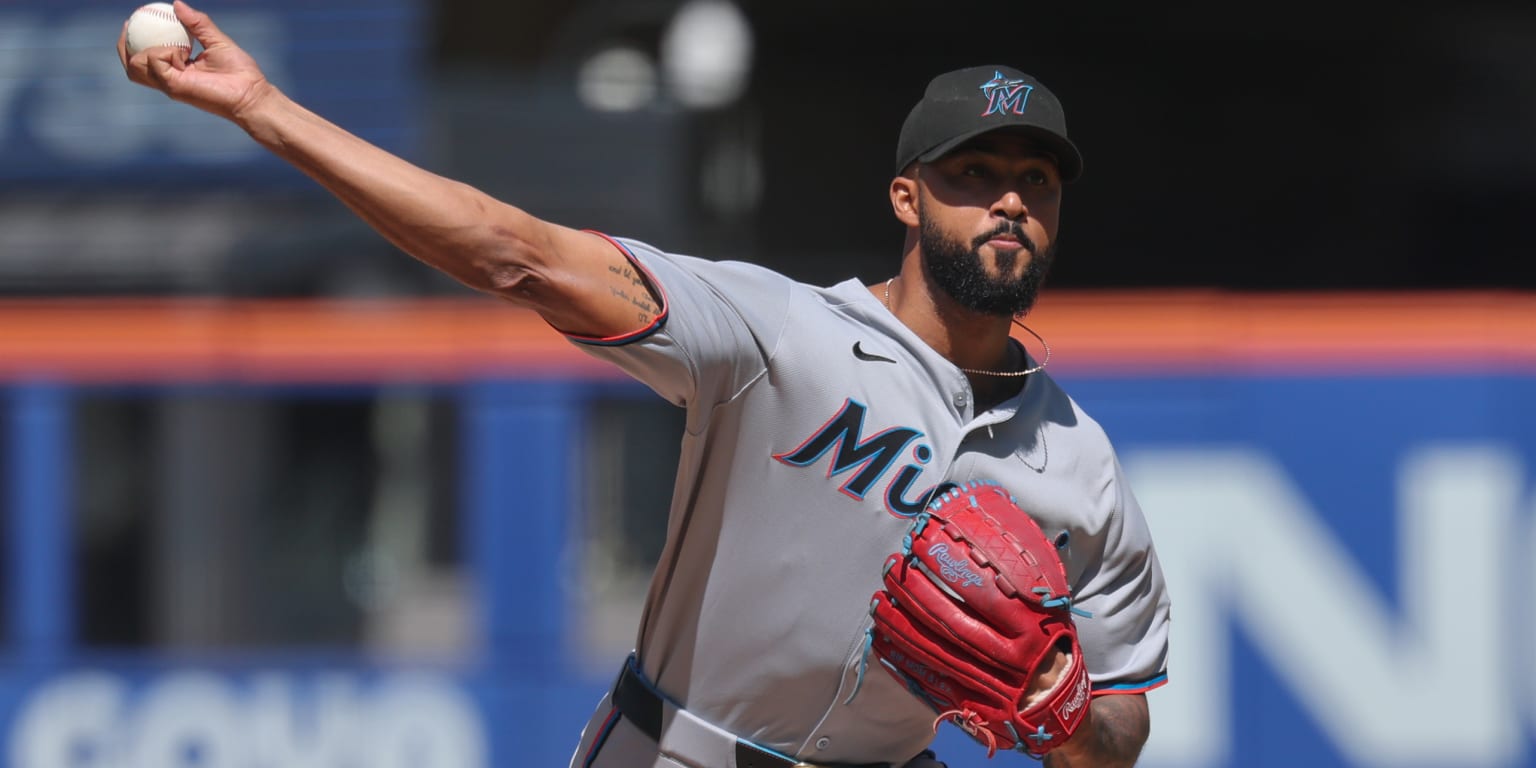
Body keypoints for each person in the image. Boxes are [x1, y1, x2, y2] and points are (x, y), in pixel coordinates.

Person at [119, 4, 1171, 767]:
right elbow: (514, 254)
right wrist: (264, 109)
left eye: (1034, 181)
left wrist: (1063, 711)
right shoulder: (781, 333)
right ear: (907, 197)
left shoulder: (1077, 463)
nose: (1008, 203)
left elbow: (1117, 735)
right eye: (973, 175)